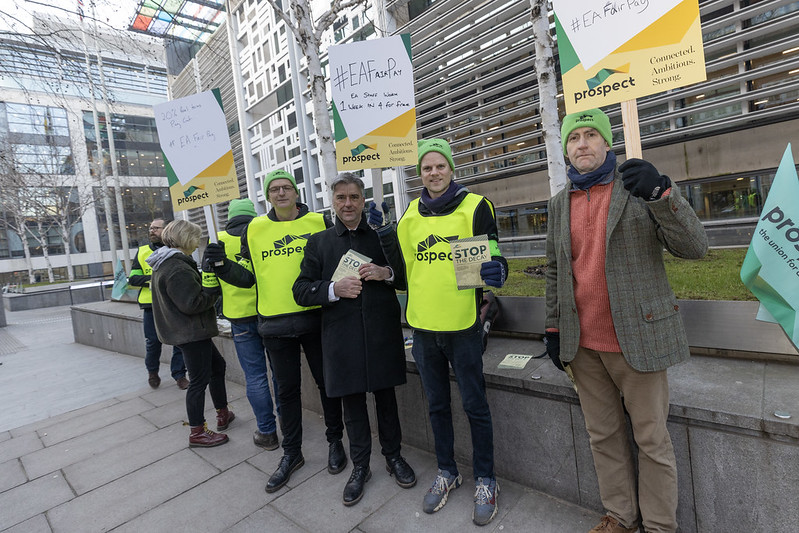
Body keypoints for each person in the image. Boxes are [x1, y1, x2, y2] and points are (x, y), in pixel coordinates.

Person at [544, 108, 708, 533]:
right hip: (583, 347)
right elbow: (555, 270)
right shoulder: (560, 203)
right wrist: (552, 327)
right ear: (565, 148)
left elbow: (695, 247)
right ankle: (620, 516)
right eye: (573, 137)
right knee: (603, 438)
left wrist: (662, 195)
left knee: (651, 441)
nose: (582, 144)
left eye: (590, 135)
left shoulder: (637, 185)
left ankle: (658, 526)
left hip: (638, 339)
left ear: (606, 142)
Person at [387, 138, 507, 526]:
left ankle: (486, 479)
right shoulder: (406, 218)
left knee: (475, 406)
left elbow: (494, 253)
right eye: (426, 168)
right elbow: (404, 275)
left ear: (451, 169)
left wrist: (498, 270)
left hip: (464, 327)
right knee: (436, 406)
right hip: (422, 331)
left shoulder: (476, 207)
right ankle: (447, 471)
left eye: (440, 166)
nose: (434, 173)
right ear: (418, 174)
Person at [203, 169, 345, 493]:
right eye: (274, 189)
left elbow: (336, 264)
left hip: (315, 318)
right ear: (268, 196)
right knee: (287, 393)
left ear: (296, 192)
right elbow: (248, 277)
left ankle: (335, 440)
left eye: (286, 188)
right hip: (275, 325)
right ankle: (292, 453)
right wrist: (222, 265)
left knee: (328, 386)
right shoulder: (254, 228)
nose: (281, 193)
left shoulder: (319, 222)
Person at [293, 173, 416, 506]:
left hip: (380, 333)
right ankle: (360, 466)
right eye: (341, 198)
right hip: (341, 337)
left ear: (363, 201)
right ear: (333, 202)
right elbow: (301, 290)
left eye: (354, 197)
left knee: (386, 399)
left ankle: (393, 456)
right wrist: (333, 289)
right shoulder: (318, 242)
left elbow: (404, 276)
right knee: (353, 406)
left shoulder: (380, 235)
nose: (348, 204)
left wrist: (384, 273)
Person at [146, 220, 235, 448]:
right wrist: (213, 291)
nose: (197, 243)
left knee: (217, 367)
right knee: (198, 382)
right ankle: (197, 432)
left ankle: (223, 413)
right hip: (191, 333)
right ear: (185, 239)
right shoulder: (177, 268)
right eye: (195, 238)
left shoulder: (166, 263)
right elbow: (192, 303)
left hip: (189, 331)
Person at [202, 198, 281, 450]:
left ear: (230, 217)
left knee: (255, 376)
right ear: (252, 215)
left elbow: (209, 287)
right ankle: (289, 424)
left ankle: (267, 432)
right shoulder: (262, 233)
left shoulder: (217, 241)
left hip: (240, 319)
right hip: (271, 312)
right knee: (280, 374)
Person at [129, 218, 188, 390]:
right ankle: (152, 372)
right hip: (151, 306)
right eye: (150, 228)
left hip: (175, 304)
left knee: (180, 341)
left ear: (167, 230)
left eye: (156, 228)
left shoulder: (177, 250)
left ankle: (179, 375)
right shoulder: (142, 252)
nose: (151, 231)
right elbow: (133, 278)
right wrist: (155, 280)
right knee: (153, 342)